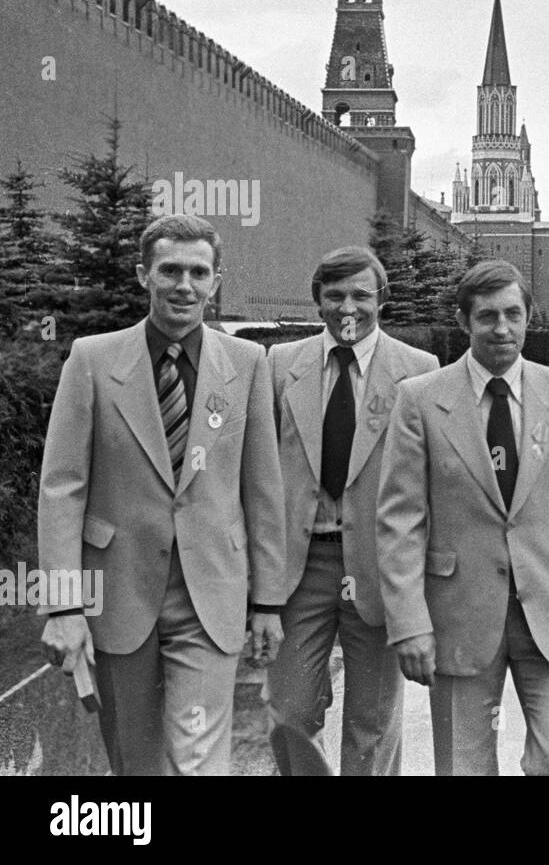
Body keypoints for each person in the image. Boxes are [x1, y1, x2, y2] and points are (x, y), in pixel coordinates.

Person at [38, 214, 285, 775]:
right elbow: (62, 489)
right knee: (135, 763)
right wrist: (63, 605)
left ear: (216, 281)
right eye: (170, 270)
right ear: (143, 274)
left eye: (199, 272)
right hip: (117, 591)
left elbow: (263, 489)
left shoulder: (247, 364)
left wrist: (268, 601)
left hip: (210, 596)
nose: (184, 285)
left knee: (197, 760)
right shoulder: (93, 360)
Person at [376, 260, 549, 775]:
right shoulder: (420, 399)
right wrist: (409, 622)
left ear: (529, 318)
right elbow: (400, 521)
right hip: (458, 616)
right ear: (465, 322)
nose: (502, 328)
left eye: (514, 314)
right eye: (488, 316)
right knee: (463, 767)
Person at [265, 247, 439, 775]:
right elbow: (261, 470)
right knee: (288, 713)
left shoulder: (418, 371)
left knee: (374, 723)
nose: (349, 307)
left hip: (380, 566)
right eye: (335, 294)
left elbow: (428, 485)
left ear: (380, 300)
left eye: (361, 295)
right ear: (317, 300)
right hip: (303, 566)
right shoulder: (279, 365)